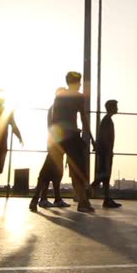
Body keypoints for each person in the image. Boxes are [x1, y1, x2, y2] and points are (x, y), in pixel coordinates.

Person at [30, 71, 95, 212]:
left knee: (47, 169)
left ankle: (35, 199)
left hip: (57, 137)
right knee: (77, 169)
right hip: (71, 136)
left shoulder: (59, 97)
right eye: (79, 82)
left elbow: (54, 119)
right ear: (76, 82)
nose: (80, 85)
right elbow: (83, 119)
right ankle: (83, 202)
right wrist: (92, 139)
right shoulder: (78, 97)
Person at [37, 88, 70, 209]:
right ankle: (43, 198)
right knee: (49, 172)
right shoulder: (56, 109)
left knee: (55, 172)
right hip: (56, 144)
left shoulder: (54, 108)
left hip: (55, 143)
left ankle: (55, 198)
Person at [91, 99, 121, 208]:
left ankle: (106, 199)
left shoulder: (106, 120)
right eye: (116, 106)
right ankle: (88, 192)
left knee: (104, 177)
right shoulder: (107, 121)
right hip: (105, 153)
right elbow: (105, 139)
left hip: (104, 152)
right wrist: (108, 152)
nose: (117, 108)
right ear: (111, 107)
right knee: (104, 176)